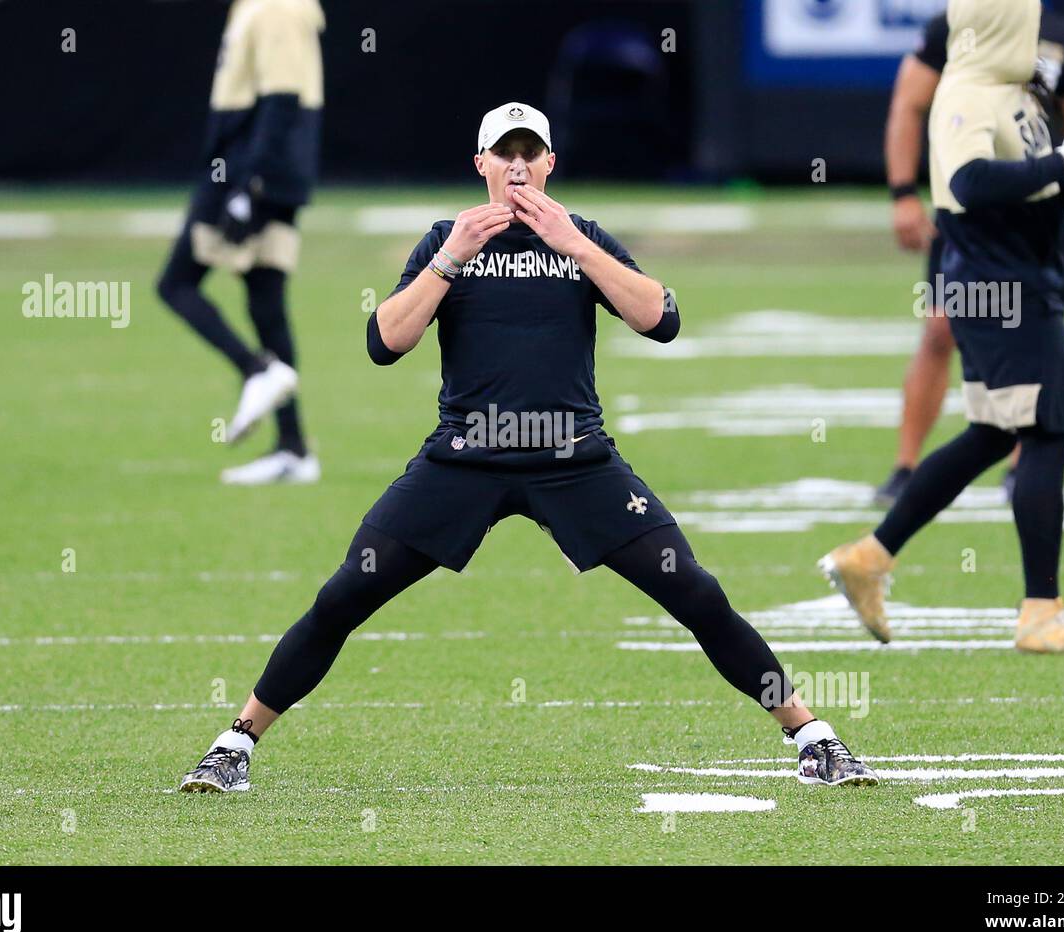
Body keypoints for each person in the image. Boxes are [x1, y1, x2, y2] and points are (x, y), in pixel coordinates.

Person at [178, 102, 880, 793]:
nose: (517, 166)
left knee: (695, 591)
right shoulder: (446, 239)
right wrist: (450, 258)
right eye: (503, 154)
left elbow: (660, 319)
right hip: (465, 458)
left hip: (574, 459)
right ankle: (234, 744)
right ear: (480, 164)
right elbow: (385, 342)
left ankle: (811, 736)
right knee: (344, 596)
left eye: (529, 153)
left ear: (549, 164)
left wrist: (575, 245)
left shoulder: (583, 237)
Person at [822, 0, 1064, 655]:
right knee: (1045, 431)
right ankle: (1041, 612)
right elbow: (971, 182)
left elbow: (1034, 186)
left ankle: (870, 558)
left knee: (996, 432)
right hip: (1000, 282)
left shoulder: (1015, 93)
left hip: (1021, 271)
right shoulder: (967, 90)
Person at [875, 1, 1064, 507]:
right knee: (941, 330)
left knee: (1033, 349)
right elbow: (911, 105)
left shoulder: (1060, 36)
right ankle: (905, 467)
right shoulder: (958, 34)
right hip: (970, 222)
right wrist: (902, 192)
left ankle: (1022, 467)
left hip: (1034, 216)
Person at [157, 0, 325, 485]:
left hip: (247, 173)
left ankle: (256, 369)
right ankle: (293, 449)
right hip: (265, 174)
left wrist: (248, 188)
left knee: (175, 284)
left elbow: (283, 98)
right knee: (265, 301)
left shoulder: (276, 8)